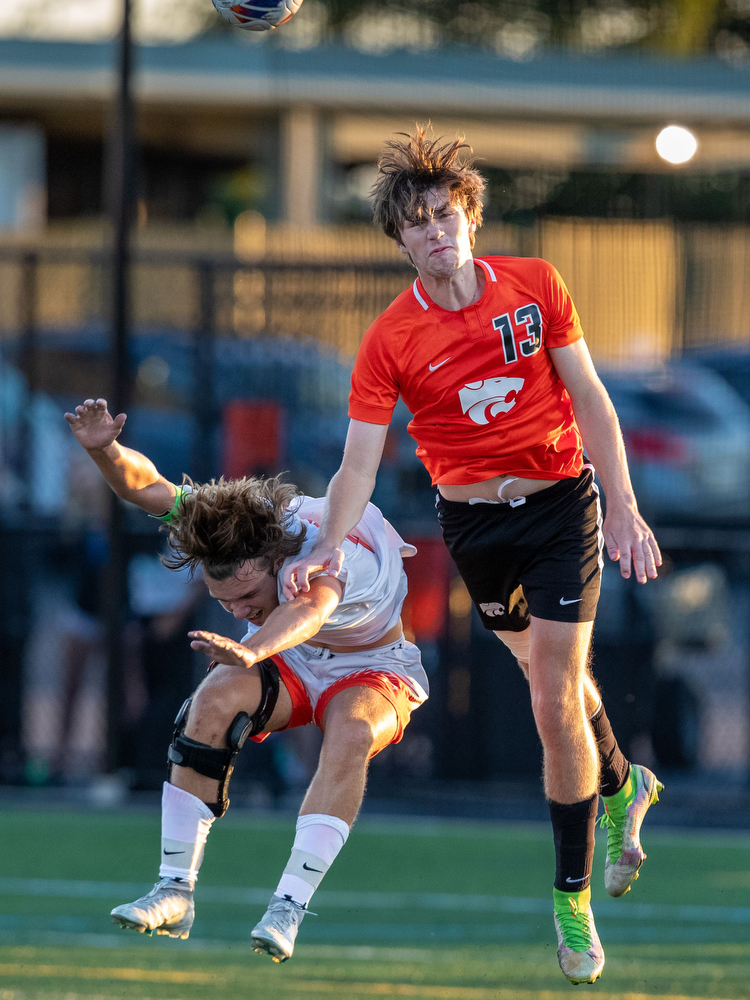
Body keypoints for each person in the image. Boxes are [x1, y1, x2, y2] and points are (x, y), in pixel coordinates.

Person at [281, 128, 663, 985]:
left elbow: (593, 400)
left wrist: (627, 507)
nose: (434, 232)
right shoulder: (389, 340)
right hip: (475, 530)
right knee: (550, 683)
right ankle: (624, 783)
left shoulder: (536, 286)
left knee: (551, 695)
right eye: (416, 224)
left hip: (563, 507)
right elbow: (357, 463)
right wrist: (329, 547)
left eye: (445, 215)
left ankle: (572, 896)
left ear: (471, 220)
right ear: (401, 241)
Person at [64, 397, 428, 963]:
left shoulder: (327, 548)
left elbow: (307, 610)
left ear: (275, 564)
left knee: (352, 732)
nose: (236, 611)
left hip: (373, 665)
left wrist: (252, 648)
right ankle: (174, 890)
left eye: (245, 599)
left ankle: (289, 905)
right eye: (222, 601)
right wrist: (105, 451)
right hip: (296, 658)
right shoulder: (241, 526)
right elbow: (149, 489)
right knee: (208, 702)